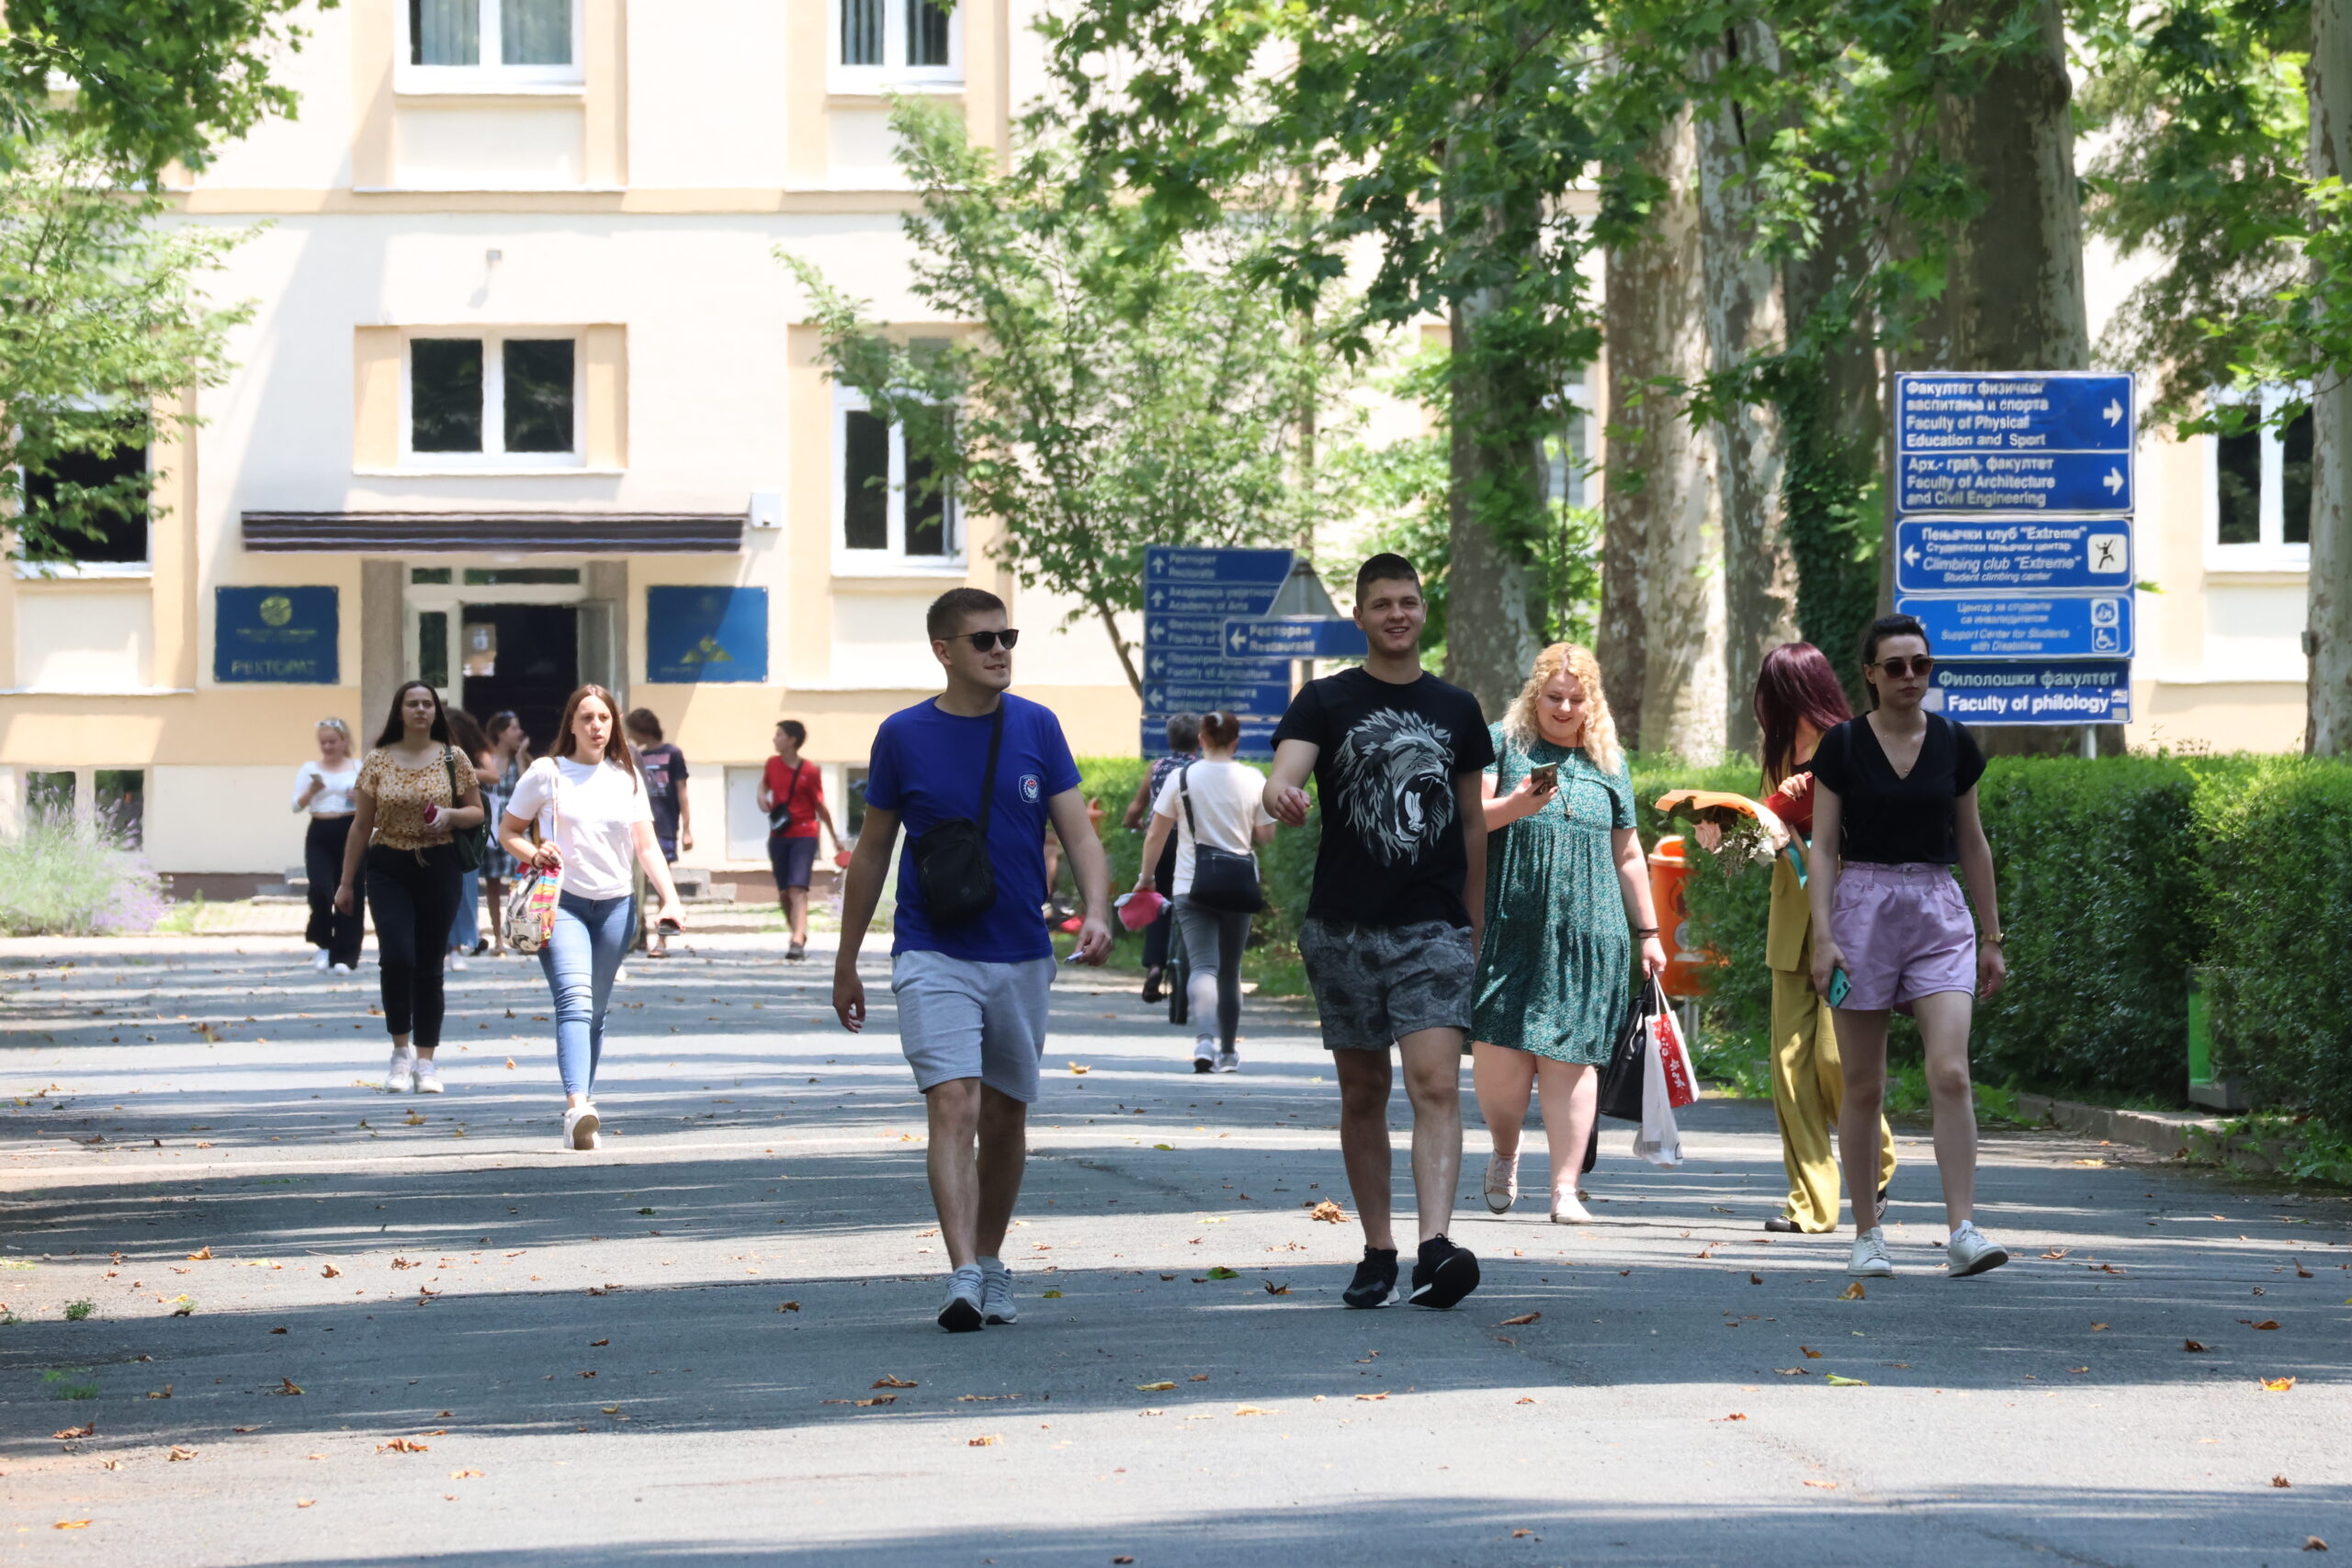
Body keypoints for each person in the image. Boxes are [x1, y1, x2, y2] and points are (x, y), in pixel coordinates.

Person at [832, 587, 1113, 1332]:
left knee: (1007, 1115)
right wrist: (846, 958)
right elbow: (871, 852)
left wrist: (1100, 908)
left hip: (1020, 951)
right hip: (933, 949)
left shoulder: (1037, 726)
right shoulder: (902, 735)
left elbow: (1080, 834)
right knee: (953, 1102)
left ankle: (989, 1258)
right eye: (983, 639)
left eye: (1007, 637)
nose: (999, 650)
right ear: (944, 651)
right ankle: (961, 1270)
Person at [1263, 553, 1490, 1312]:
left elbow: (1470, 823)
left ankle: (1434, 1246)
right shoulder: (1323, 700)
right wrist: (1281, 794)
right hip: (1344, 926)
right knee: (1364, 1091)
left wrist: (1476, 921)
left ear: (1425, 611)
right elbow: (1283, 775)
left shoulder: (1458, 708)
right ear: (1359, 617)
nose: (1398, 613)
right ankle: (1378, 1250)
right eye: (1382, 603)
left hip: (1432, 924)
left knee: (1434, 1083)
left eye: (1410, 601)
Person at [1807, 614, 2009, 1280]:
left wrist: (1992, 935)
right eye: (1894, 666)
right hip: (1861, 909)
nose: (1908, 677)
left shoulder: (1953, 742)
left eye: (1920, 665)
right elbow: (1825, 847)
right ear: (1869, 673)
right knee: (1863, 1083)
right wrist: (1824, 937)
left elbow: (1972, 842)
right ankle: (1867, 1232)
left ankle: (1963, 1230)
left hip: (1937, 910)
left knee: (1950, 1070)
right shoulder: (1840, 746)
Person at [1469, 644, 1668, 1224]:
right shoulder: (1501, 743)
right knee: (1501, 1074)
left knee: (1573, 1064)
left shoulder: (1609, 760)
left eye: (1575, 699)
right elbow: (1474, 819)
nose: (1563, 708)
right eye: (1553, 697)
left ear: (1592, 701)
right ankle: (1506, 1149)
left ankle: (1564, 1190)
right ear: (1535, 695)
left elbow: (1628, 851)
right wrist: (1519, 804)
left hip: (1589, 935)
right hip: (1508, 928)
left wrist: (1648, 933)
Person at [1725, 643, 1900, 1235]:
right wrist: (1730, 833)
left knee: (1834, 1056)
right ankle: (1813, 1205)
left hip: (1844, 917)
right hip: (1789, 920)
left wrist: (1785, 832)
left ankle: (1874, 1165)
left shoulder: (1849, 744)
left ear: (1798, 690)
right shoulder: (1777, 756)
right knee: (1789, 1063)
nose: (1763, 703)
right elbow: (1770, 836)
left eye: (1771, 690)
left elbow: (1861, 832)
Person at [500, 684, 687, 1151]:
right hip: (561, 903)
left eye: (604, 718)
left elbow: (646, 846)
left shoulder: (626, 777)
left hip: (616, 907)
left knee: (597, 1012)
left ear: (614, 725)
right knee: (576, 1002)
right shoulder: (547, 774)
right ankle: (577, 1108)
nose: (596, 727)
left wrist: (670, 899)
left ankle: (585, 1100)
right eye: (586, 718)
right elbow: (508, 831)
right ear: (571, 724)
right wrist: (534, 850)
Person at [334, 681, 486, 1096]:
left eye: (427, 704)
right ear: (399, 711)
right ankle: (399, 1053)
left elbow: (476, 811)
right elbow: (361, 824)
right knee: (397, 957)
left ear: (436, 712)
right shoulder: (378, 760)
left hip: (440, 865)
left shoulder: (454, 758)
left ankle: (426, 1061)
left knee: (429, 964)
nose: (420, 710)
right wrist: (346, 883)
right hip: (388, 865)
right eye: (412, 703)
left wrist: (451, 816)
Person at [1130, 711, 1275, 1072]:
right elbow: (1266, 835)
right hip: (1239, 885)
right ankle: (1228, 1053)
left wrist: (1146, 878)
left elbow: (1155, 833)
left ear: (1201, 739)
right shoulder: (1254, 779)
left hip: (1190, 885)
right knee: (1231, 971)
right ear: (1236, 741)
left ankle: (1204, 1043)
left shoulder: (1181, 777)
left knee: (1204, 966)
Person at [1122, 715, 1198, 1004]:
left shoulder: (1156, 768)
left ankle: (1155, 967)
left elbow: (1135, 811)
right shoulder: (1201, 769)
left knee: (1159, 901)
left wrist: (1135, 825)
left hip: (1161, 843)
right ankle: (1193, 969)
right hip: (1191, 847)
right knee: (1193, 906)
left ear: (1169, 740)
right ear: (1199, 741)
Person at [760, 719, 840, 962]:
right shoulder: (772, 764)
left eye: (779, 735)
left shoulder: (809, 771)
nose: (775, 739)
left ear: (791, 740)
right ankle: (798, 931)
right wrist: (761, 796)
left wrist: (835, 839)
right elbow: (763, 786)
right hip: (778, 835)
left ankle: (796, 940)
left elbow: (820, 806)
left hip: (804, 835)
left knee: (797, 887)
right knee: (784, 892)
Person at [292, 717, 364, 974]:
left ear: (344, 741)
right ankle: (324, 944)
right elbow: (295, 806)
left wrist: (361, 798)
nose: (328, 746)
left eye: (332, 741)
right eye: (323, 742)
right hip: (320, 832)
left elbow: (375, 803)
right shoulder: (310, 768)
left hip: (351, 830)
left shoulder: (358, 767)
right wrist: (311, 790)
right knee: (321, 890)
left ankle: (346, 955)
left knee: (351, 892)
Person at [627, 708, 692, 957]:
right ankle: (639, 933)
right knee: (638, 884)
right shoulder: (636, 755)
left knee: (662, 884)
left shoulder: (672, 754)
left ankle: (663, 940)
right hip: (639, 825)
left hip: (664, 825)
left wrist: (687, 829)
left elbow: (682, 791)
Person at [477, 712, 528, 957]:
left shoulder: (521, 760)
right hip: (493, 829)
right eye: (513, 728)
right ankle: (498, 938)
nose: (519, 732)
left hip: (517, 828)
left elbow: (527, 787)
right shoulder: (488, 761)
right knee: (494, 884)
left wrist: (519, 757)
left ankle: (520, 935)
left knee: (522, 884)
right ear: (500, 733)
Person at [443, 709, 491, 972]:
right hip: (432, 829)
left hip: (464, 830)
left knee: (463, 890)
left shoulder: (466, 756)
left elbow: (492, 775)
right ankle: (444, 946)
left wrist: (460, 772)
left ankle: (457, 947)